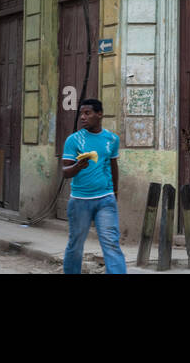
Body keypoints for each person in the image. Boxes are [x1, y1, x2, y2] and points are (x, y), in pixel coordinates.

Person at [60, 98, 126, 274]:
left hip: (105, 199)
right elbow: (65, 172)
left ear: (99, 114)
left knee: (111, 244)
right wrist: (77, 166)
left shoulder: (112, 139)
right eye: (81, 113)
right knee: (75, 245)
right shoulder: (73, 140)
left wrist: (115, 192)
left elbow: (113, 166)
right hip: (80, 201)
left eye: (87, 113)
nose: (83, 117)